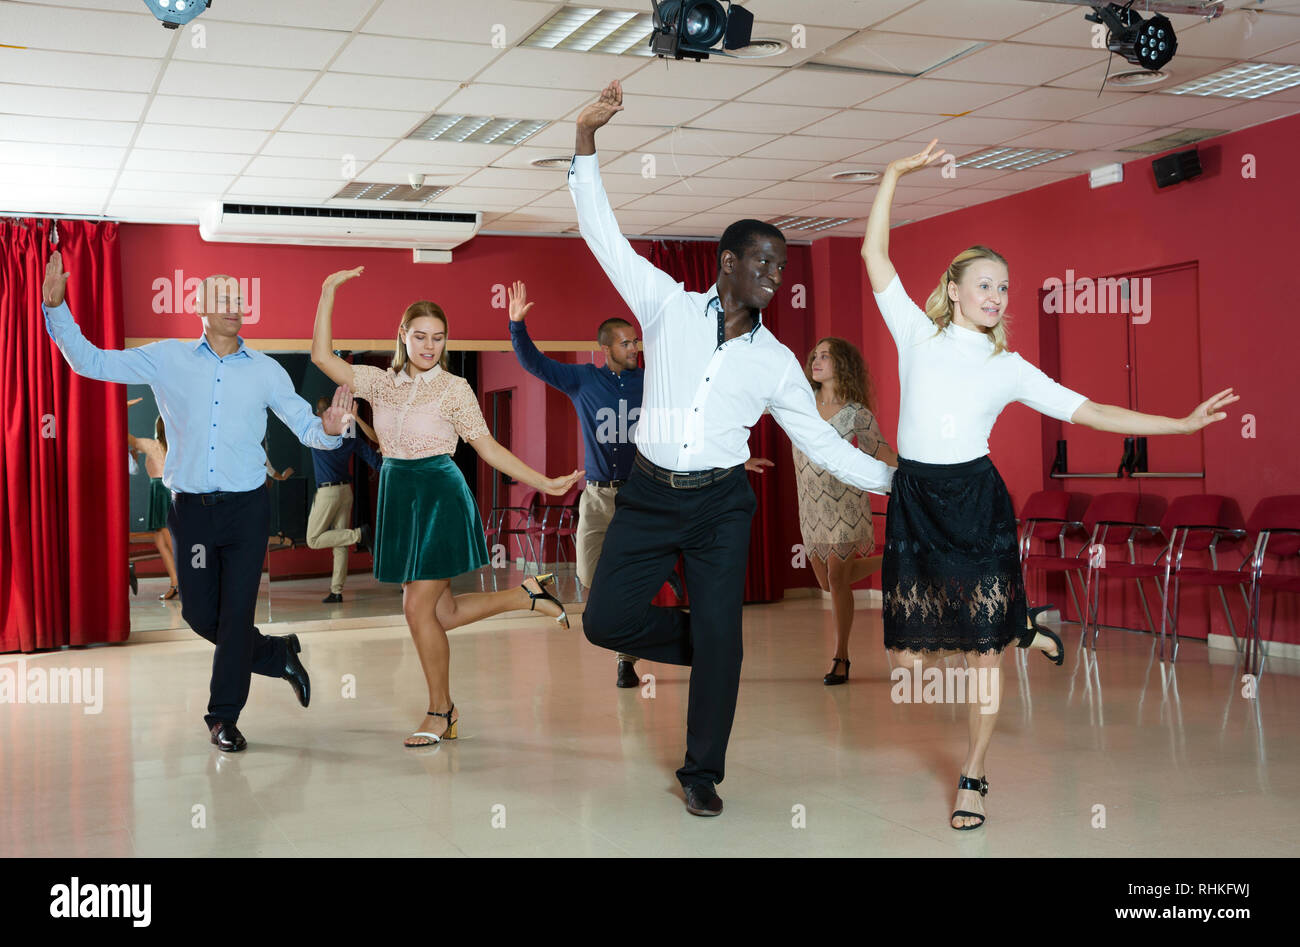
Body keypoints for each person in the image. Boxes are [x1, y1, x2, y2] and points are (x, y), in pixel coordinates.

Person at [863, 139, 1239, 830]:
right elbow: (873, 255)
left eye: (1003, 287)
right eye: (984, 284)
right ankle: (1022, 626)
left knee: (979, 653)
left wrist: (1179, 425)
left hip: (975, 502)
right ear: (954, 289)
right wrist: (892, 174)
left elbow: (1091, 410)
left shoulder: (1009, 366)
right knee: (910, 652)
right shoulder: (915, 333)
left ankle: (974, 775)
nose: (995, 296)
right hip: (916, 500)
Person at [570, 80, 895, 817]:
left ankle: (701, 770)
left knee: (721, 637)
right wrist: (586, 139)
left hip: (720, 504)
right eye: (763, 263)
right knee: (604, 621)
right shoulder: (667, 304)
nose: (775, 277)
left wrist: (893, 481)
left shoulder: (776, 362)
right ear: (725, 262)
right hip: (649, 493)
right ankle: (718, 647)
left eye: (781, 267)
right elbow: (602, 234)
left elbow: (822, 444)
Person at [42, 255, 349, 753]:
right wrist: (57, 310)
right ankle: (277, 655)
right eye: (222, 297)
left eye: (238, 298)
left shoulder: (266, 371)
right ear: (198, 306)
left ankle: (223, 718)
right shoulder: (167, 358)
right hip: (193, 513)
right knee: (202, 616)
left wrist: (330, 430)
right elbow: (91, 362)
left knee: (235, 616)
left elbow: (306, 426)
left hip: (247, 512)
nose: (233, 305)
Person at [310, 266, 585, 747]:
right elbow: (320, 356)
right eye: (420, 336)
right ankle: (525, 595)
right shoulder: (380, 382)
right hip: (399, 494)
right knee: (444, 613)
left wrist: (544, 482)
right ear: (403, 334)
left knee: (417, 608)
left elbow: (489, 448)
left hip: (439, 494)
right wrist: (328, 290)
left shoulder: (455, 389)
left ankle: (441, 711)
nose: (429, 346)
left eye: (438, 338)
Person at [507, 279, 654, 688]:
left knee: (631, 579)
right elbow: (534, 363)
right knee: (590, 574)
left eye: (636, 342)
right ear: (605, 348)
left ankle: (626, 659)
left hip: (638, 496)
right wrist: (517, 325)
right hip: (598, 497)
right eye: (626, 343)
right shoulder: (583, 380)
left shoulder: (651, 381)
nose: (634, 348)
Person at [794, 338, 898, 685]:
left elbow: (880, 451)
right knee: (826, 582)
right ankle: (894, 558)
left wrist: (917, 473)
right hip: (810, 507)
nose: (816, 360)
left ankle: (841, 657)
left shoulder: (856, 413)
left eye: (825, 356)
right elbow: (750, 411)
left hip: (845, 505)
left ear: (842, 364)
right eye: (815, 355)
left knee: (838, 579)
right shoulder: (798, 404)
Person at [306, 395, 382, 603]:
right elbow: (372, 458)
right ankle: (336, 591)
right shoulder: (348, 434)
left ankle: (359, 534)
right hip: (346, 492)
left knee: (312, 539)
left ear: (319, 414)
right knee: (339, 543)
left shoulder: (316, 432)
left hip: (327, 493)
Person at [127, 413, 181, 601]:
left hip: (161, 490)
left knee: (168, 540)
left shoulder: (153, 445)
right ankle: (175, 583)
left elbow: (127, 437)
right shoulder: (174, 445)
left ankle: (185, 582)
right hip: (164, 490)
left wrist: (121, 409)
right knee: (160, 540)